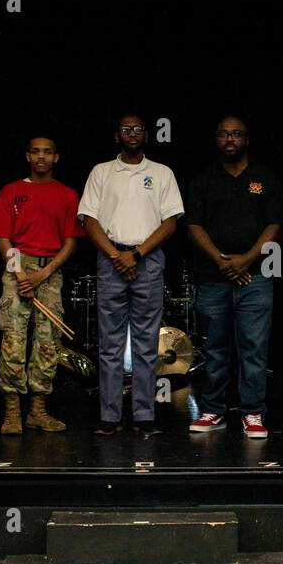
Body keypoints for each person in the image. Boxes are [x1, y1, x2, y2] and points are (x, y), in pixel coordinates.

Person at [78, 114, 184, 436]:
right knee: (109, 344)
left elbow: (170, 223)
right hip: (111, 260)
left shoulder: (161, 173)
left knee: (146, 343)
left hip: (147, 260)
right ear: (117, 135)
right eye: (126, 129)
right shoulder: (101, 171)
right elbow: (89, 219)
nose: (132, 133)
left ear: (146, 135)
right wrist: (116, 255)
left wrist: (136, 254)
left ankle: (143, 417)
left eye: (138, 128)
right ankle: (109, 418)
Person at [184, 116, 283, 437]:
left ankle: (253, 411)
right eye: (224, 134)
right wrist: (222, 261)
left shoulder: (264, 179)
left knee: (253, 347)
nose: (230, 139)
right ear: (216, 140)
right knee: (215, 348)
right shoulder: (202, 181)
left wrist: (246, 260)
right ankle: (214, 410)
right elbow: (193, 225)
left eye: (237, 134)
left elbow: (274, 225)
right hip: (212, 277)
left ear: (247, 140)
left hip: (255, 276)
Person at [0, 136, 82, 433]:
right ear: (28, 156)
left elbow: (70, 243)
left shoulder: (67, 194)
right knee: (13, 340)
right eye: (36, 152)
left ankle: (37, 410)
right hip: (17, 268)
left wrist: (44, 274)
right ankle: (13, 412)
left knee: (48, 342)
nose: (42, 157)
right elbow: (3, 238)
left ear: (56, 158)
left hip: (50, 271)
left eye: (48, 152)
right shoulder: (12, 191)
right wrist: (19, 275)